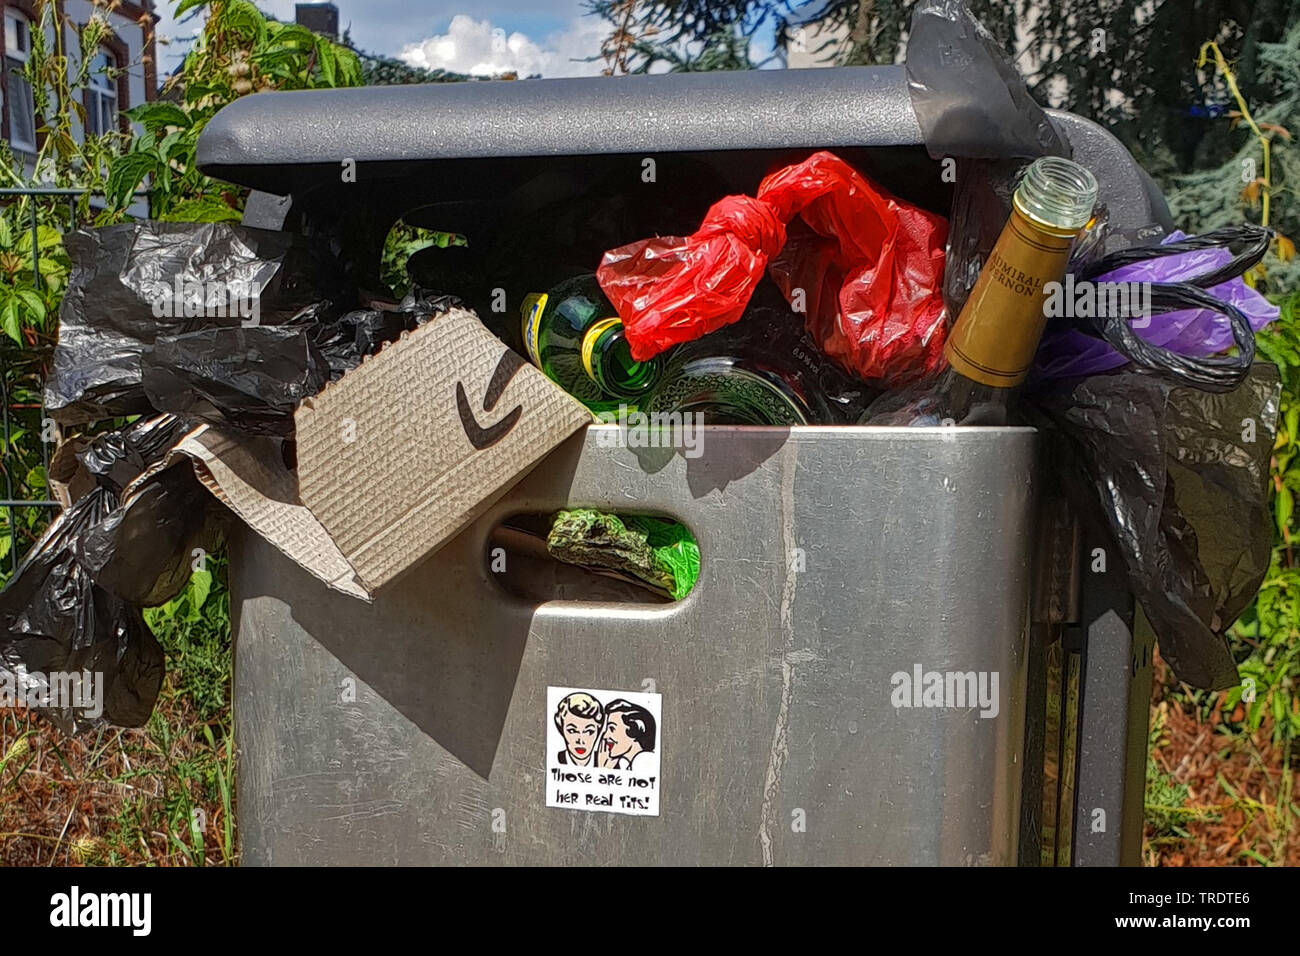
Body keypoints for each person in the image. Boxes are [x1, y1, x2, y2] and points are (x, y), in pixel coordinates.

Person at [601, 699, 656, 772]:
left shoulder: (646, 764)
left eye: (612, 728)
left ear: (634, 730)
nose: (605, 736)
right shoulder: (625, 765)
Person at [554, 692, 603, 766]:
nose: (581, 741)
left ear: (598, 730)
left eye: (589, 732)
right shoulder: (554, 760)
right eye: (572, 731)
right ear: (561, 729)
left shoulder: (607, 763)